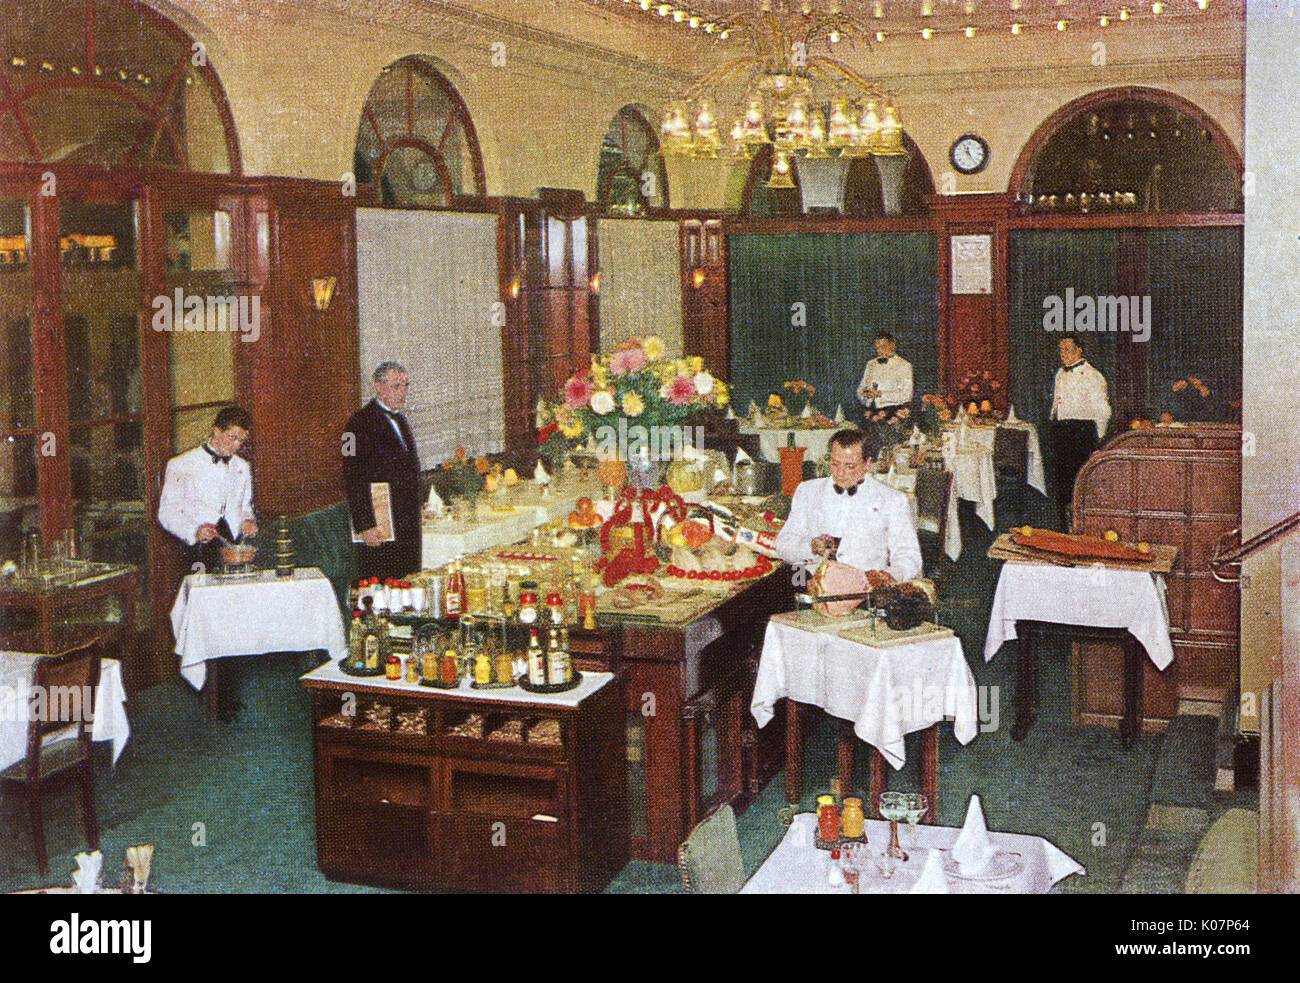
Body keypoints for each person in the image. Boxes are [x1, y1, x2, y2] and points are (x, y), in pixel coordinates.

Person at [773, 427, 921, 584]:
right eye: (835, 464)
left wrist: (886, 576)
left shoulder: (892, 500)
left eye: (850, 466)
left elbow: (909, 557)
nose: (841, 473)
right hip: (808, 582)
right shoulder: (807, 490)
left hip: (863, 589)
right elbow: (783, 544)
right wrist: (810, 547)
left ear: (867, 464)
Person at [343, 361, 422, 581]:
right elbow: (351, 477)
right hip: (379, 522)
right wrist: (364, 524)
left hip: (406, 520)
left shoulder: (401, 420)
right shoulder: (356, 424)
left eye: (406, 386)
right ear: (378, 386)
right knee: (382, 582)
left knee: (407, 580)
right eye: (396, 386)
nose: (403, 393)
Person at [158, 405, 257, 573]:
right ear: (216, 431)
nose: (237, 445)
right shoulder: (180, 464)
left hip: (233, 548)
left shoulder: (242, 466)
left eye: (241, 440)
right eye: (232, 437)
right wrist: (195, 531)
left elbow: (245, 508)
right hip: (198, 550)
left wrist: (248, 521)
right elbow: (166, 513)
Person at [1049, 335, 1112, 530]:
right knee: (1062, 484)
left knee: (1080, 483)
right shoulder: (1060, 373)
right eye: (1061, 350)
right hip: (1061, 431)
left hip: (1081, 433)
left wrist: (1096, 440)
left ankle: (1081, 530)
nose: (1063, 354)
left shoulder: (1094, 376)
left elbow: (1103, 412)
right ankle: (1063, 530)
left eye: (1068, 349)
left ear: (1079, 350)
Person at [856, 332, 913, 446]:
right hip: (871, 413)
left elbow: (907, 394)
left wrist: (881, 394)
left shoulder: (904, 365)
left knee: (890, 447)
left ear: (892, 345)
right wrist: (865, 394)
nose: (879, 351)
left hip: (892, 413)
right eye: (877, 347)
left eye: (883, 347)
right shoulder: (871, 364)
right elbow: (860, 389)